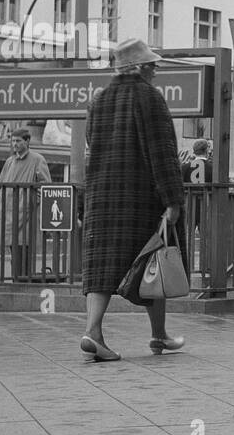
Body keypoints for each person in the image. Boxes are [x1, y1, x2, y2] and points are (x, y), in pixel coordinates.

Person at [80, 39, 187, 361]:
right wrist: (173, 199)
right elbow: (162, 153)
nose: (155, 71)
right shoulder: (150, 98)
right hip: (139, 198)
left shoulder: (98, 100)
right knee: (154, 262)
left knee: (100, 270)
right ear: (138, 67)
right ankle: (158, 335)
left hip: (101, 198)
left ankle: (93, 331)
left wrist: (89, 196)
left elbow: (90, 147)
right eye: (151, 65)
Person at [0, 128, 51, 281]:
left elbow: (45, 185)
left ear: (27, 141)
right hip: (8, 214)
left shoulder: (37, 159)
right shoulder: (9, 161)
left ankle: (23, 282)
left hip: (27, 214)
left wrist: (33, 202)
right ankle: (17, 280)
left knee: (25, 251)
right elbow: (0, 184)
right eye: (13, 141)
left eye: (18, 141)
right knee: (13, 250)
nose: (15, 144)